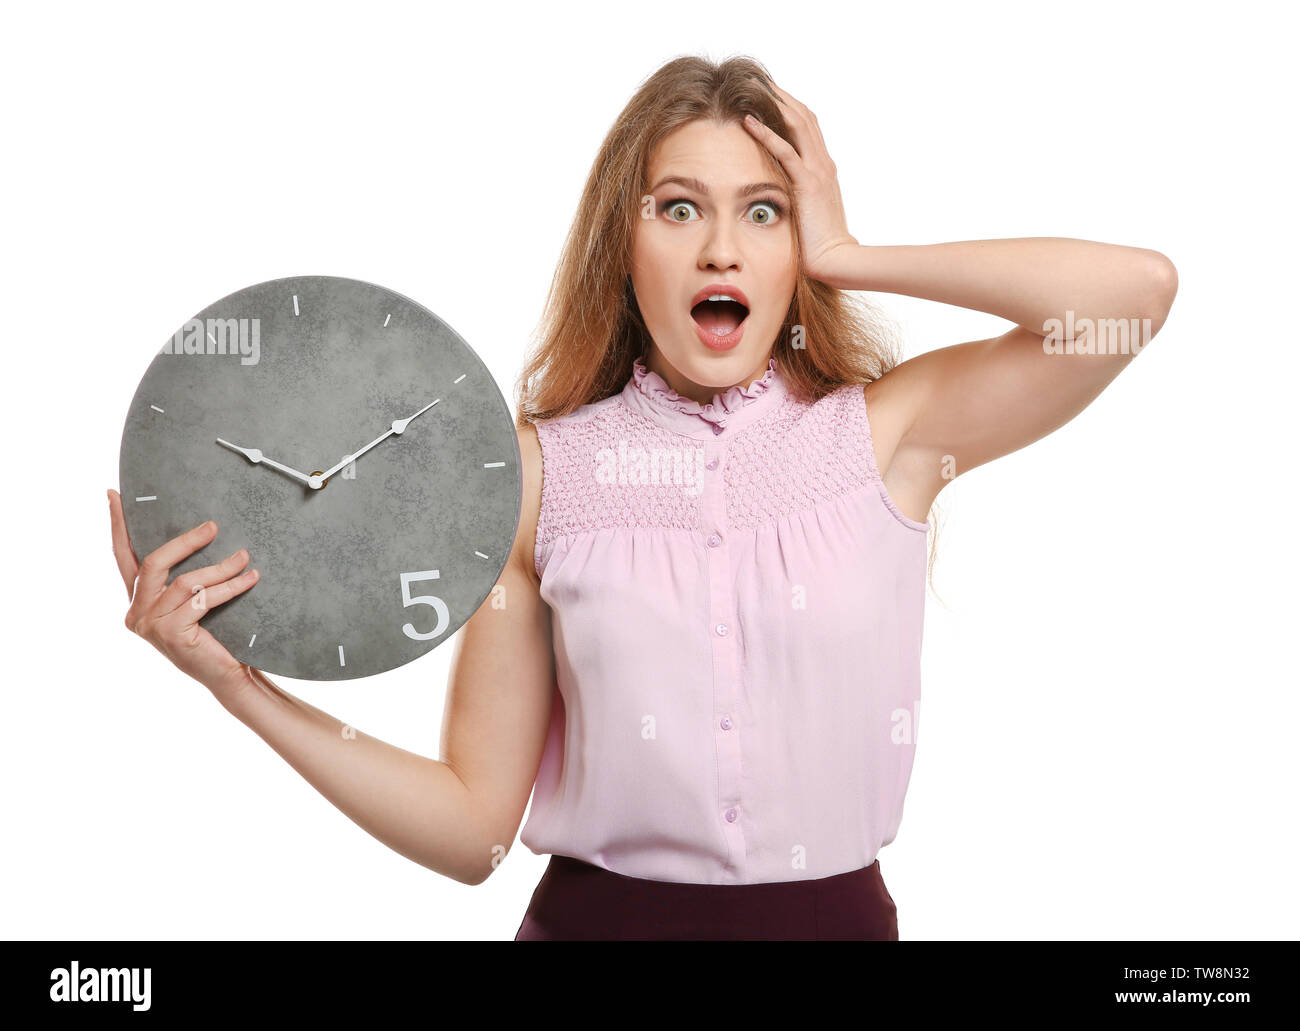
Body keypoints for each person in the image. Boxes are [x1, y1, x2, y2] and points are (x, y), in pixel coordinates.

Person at [108, 55, 1177, 940]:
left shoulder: (887, 438)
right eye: (678, 208)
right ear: (626, 244)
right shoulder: (537, 473)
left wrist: (852, 252)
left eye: (763, 212)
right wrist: (236, 686)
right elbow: (474, 829)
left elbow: (1135, 296)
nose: (721, 245)